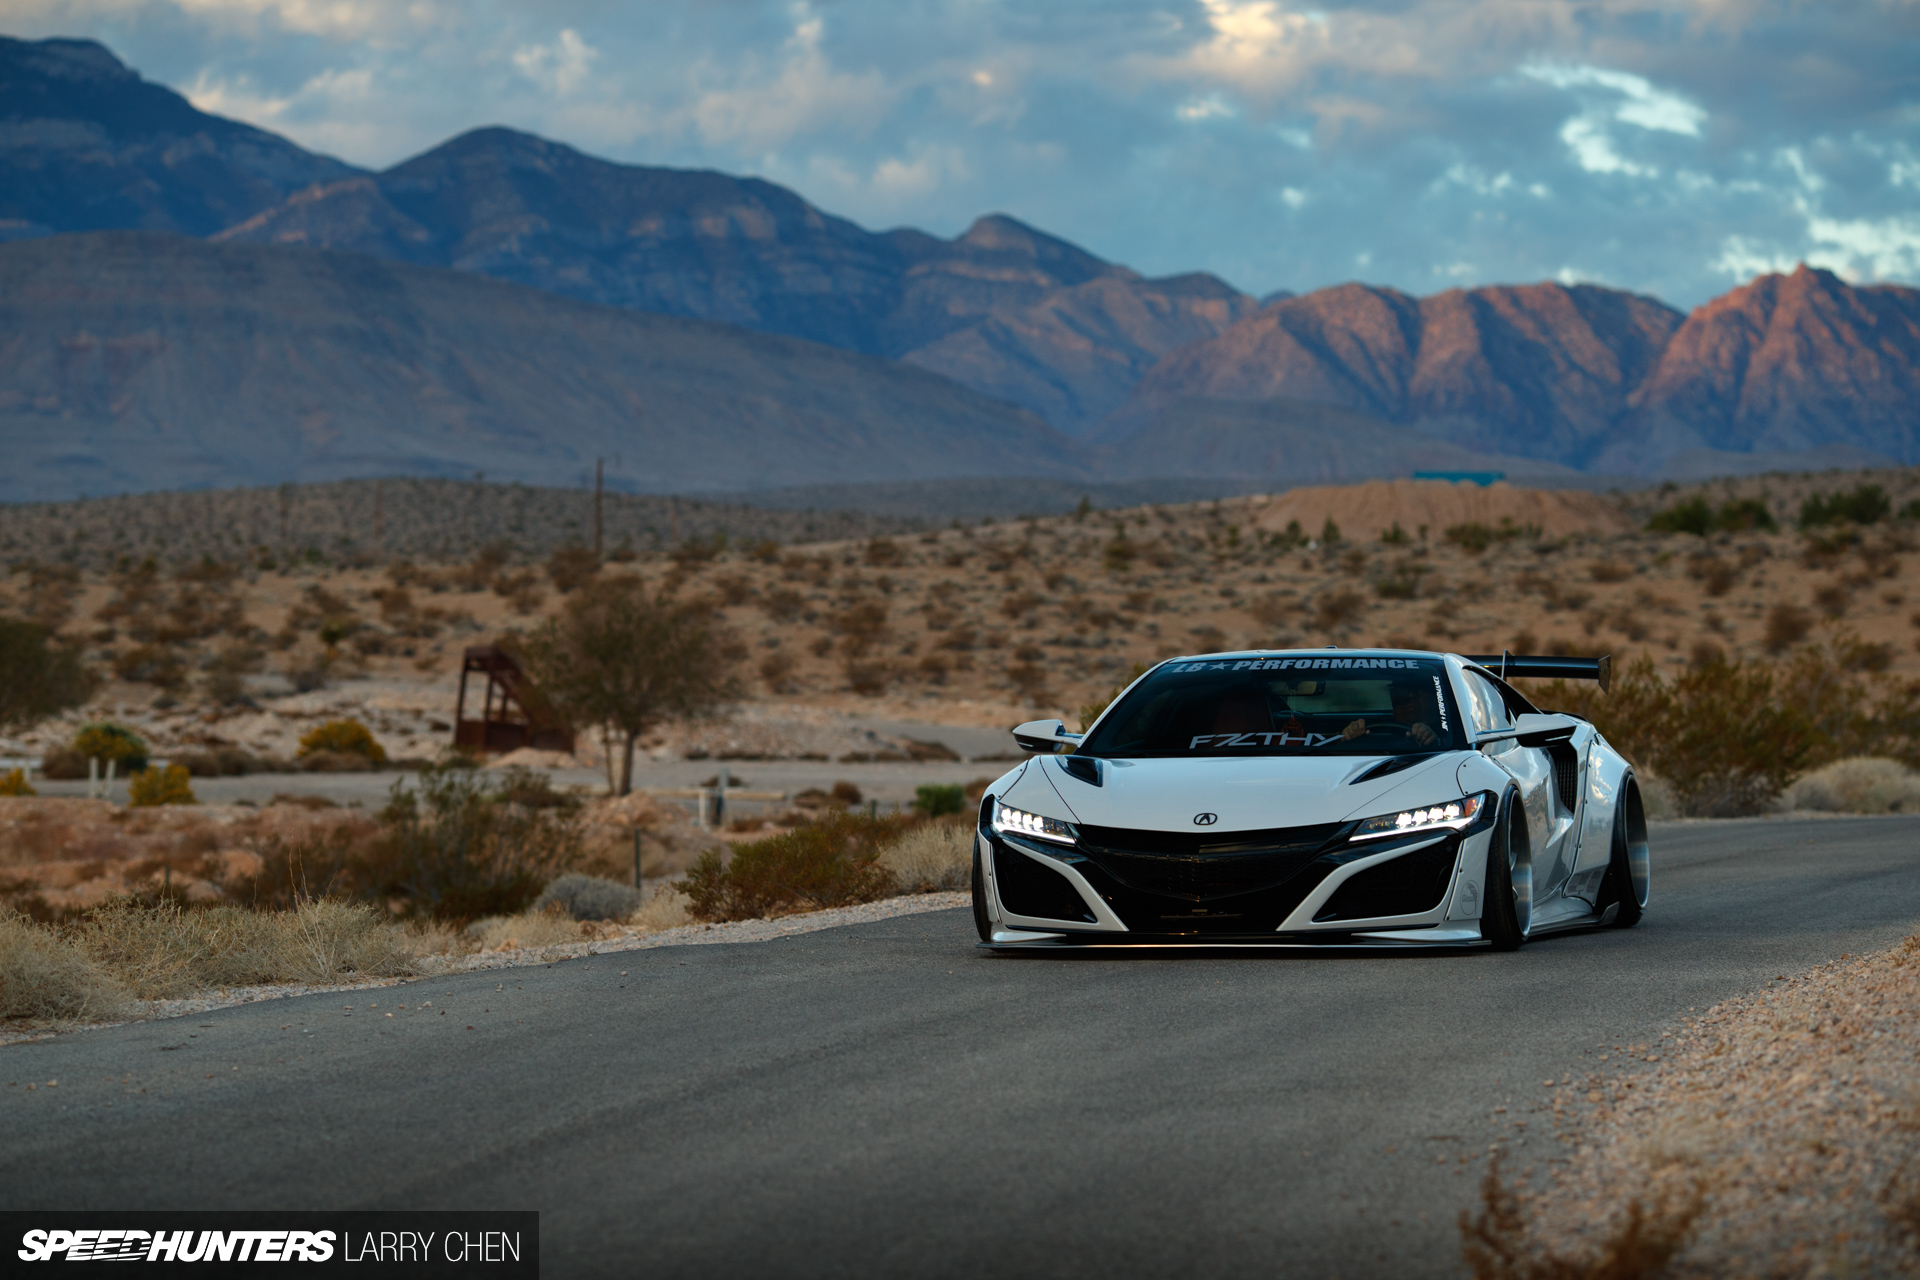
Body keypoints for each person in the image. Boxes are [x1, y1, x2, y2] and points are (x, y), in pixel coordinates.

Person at [1342, 679, 1439, 745]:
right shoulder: (1375, 728)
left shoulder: (1445, 730)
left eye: (1416, 692)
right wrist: (1348, 736)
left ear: (1432, 697)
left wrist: (1434, 741)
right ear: (1392, 698)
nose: (1410, 697)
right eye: (1401, 694)